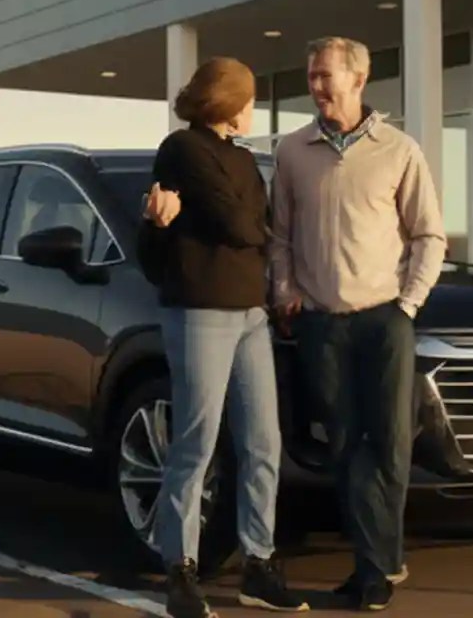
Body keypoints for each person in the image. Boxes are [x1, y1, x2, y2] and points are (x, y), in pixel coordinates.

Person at [268, 37, 447, 611]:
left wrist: (409, 304)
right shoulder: (292, 151)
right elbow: (280, 238)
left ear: (358, 77)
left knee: (391, 447)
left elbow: (429, 236)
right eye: (312, 76)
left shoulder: (399, 150)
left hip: (385, 323)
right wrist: (285, 288)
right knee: (346, 449)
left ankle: (377, 565)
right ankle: (376, 569)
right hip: (322, 325)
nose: (316, 86)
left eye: (325, 75)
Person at [137, 56, 309, 618]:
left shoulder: (239, 159)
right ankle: (180, 572)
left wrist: (254, 231)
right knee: (196, 442)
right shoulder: (182, 150)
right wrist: (253, 229)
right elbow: (235, 225)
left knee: (264, 443)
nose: (252, 109)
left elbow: (247, 222)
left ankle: (259, 563)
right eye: (248, 98)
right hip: (200, 312)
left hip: (249, 314)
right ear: (226, 101)